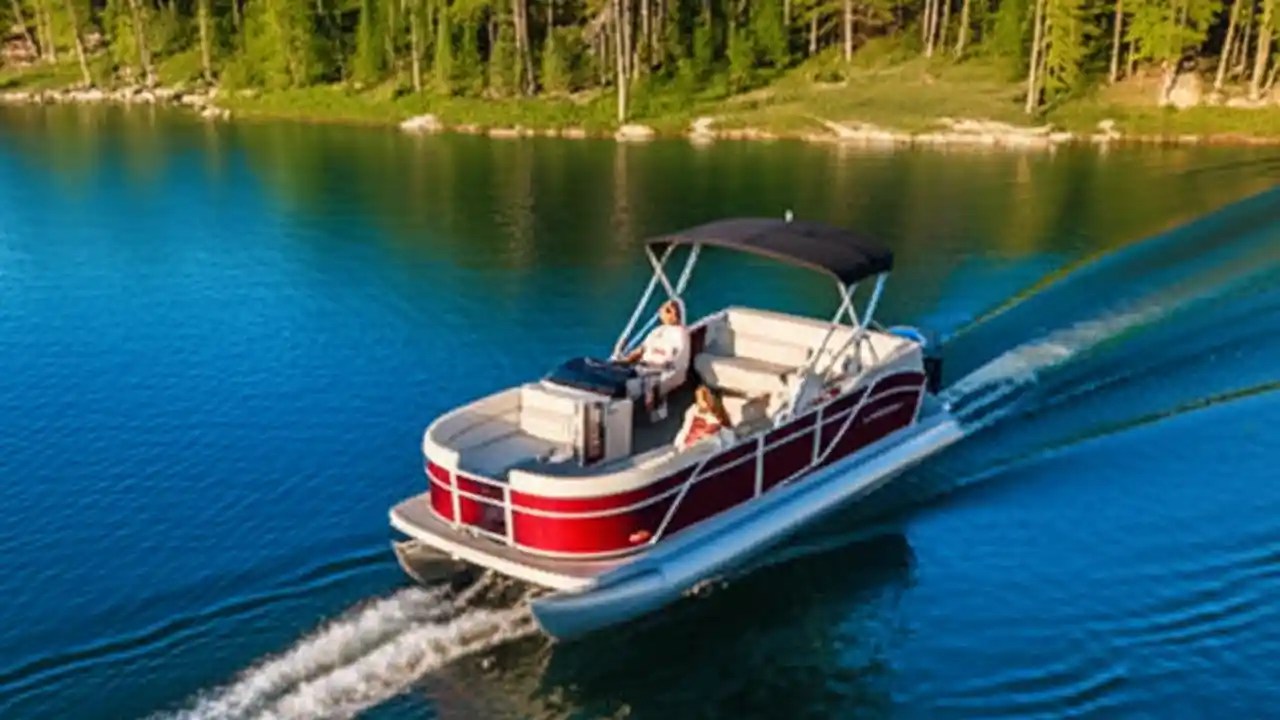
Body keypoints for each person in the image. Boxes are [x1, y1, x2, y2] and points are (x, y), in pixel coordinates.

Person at [620, 298, 691, 400]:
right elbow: (641, 349)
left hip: (657, 370)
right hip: (642, 367)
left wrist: (658, 367)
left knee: (630, 384)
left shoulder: (681, 334)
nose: (662, 311)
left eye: (668, 310)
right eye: (663, 309)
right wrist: (623, 361)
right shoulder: (656, 331)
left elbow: (678, 362)